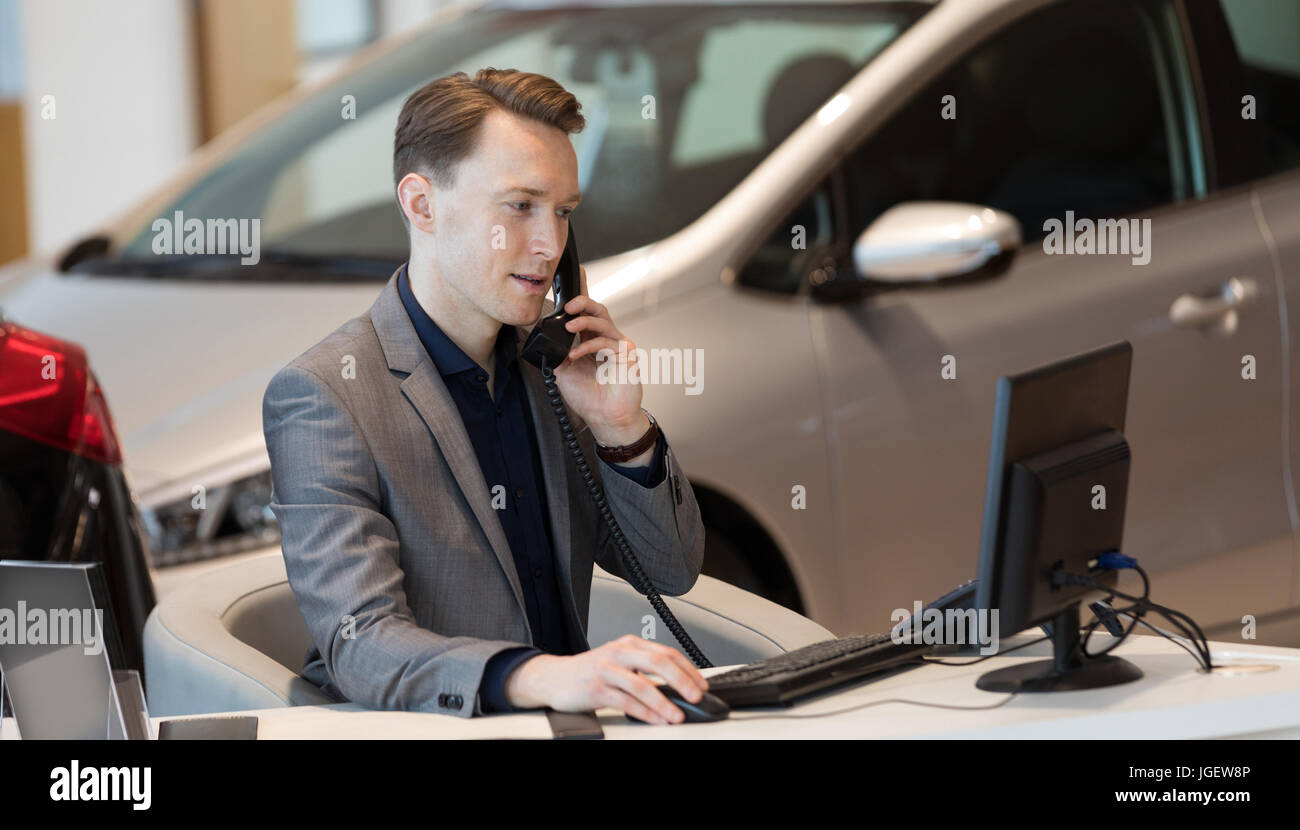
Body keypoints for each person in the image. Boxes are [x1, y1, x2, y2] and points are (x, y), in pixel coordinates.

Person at [262, 68, 709, 725]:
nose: (550, 245)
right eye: (520, 206)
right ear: (422, 206)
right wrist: (541, 676)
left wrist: (622, 427)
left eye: (562, 213)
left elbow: (670, 571)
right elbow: (362, 645)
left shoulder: (553, 372)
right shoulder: (325, 395)